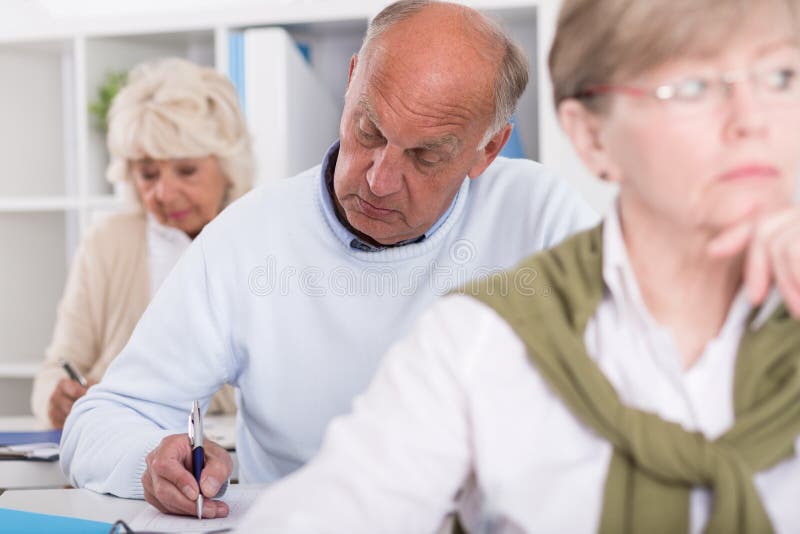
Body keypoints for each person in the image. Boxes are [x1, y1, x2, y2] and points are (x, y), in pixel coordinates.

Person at [235, 0, 800, 532]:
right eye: (692, 88)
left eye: (779, 77)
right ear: (591, 137)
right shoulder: (481, 345)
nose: (752, 120)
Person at [59, 0, 598, 520]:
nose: (379, 180)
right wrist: (150, 462)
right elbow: (101, 419)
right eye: (370, 131)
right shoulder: (248, 236)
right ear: (352, 79)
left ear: (488, 149)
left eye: (426, 155)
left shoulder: (538, 215)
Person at [31, 58, 252, 428]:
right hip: (122, 444)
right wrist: (55, 396)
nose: (164, 193)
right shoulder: (108, 241)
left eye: (186, 171)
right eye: (148, 173)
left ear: (227, 166)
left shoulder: (257, 237)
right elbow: (58, 365)